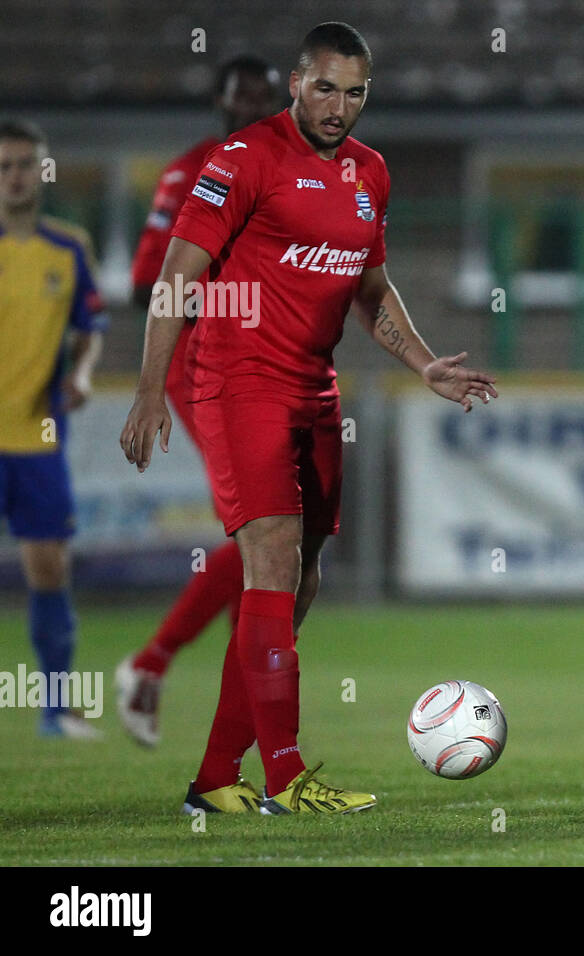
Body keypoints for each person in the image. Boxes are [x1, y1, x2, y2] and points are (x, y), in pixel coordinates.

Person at [119, 22, 497, 815]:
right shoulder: (245, 160)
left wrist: (423, 361)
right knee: (274, 558)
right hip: (238, 384)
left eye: (355, 91)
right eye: (325, 86)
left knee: (299, 581)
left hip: (314, 391)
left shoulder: (370, 172)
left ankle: (217, 776)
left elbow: (371, 288)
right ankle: (287, 779)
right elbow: (176, 278)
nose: (339, 105)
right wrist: (151, 390)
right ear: (297, 83)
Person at [116, 54, 280, 748]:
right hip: (203, 366)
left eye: (262, 101)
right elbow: (145, 283)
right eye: (239, 100)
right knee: (264, 534)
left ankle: (157, 668)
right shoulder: (192, 174)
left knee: (273, 542)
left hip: (272, 368)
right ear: (220, 102)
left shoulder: (290, 170)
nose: (249, 111)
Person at [0, 120, 108, 739]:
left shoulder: (68, 249)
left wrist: (86, 374)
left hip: (39, 437)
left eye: (26, 165)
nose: (17, 176)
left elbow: (91, 327)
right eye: (6, 165)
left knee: (48, 568)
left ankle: (56, 710)